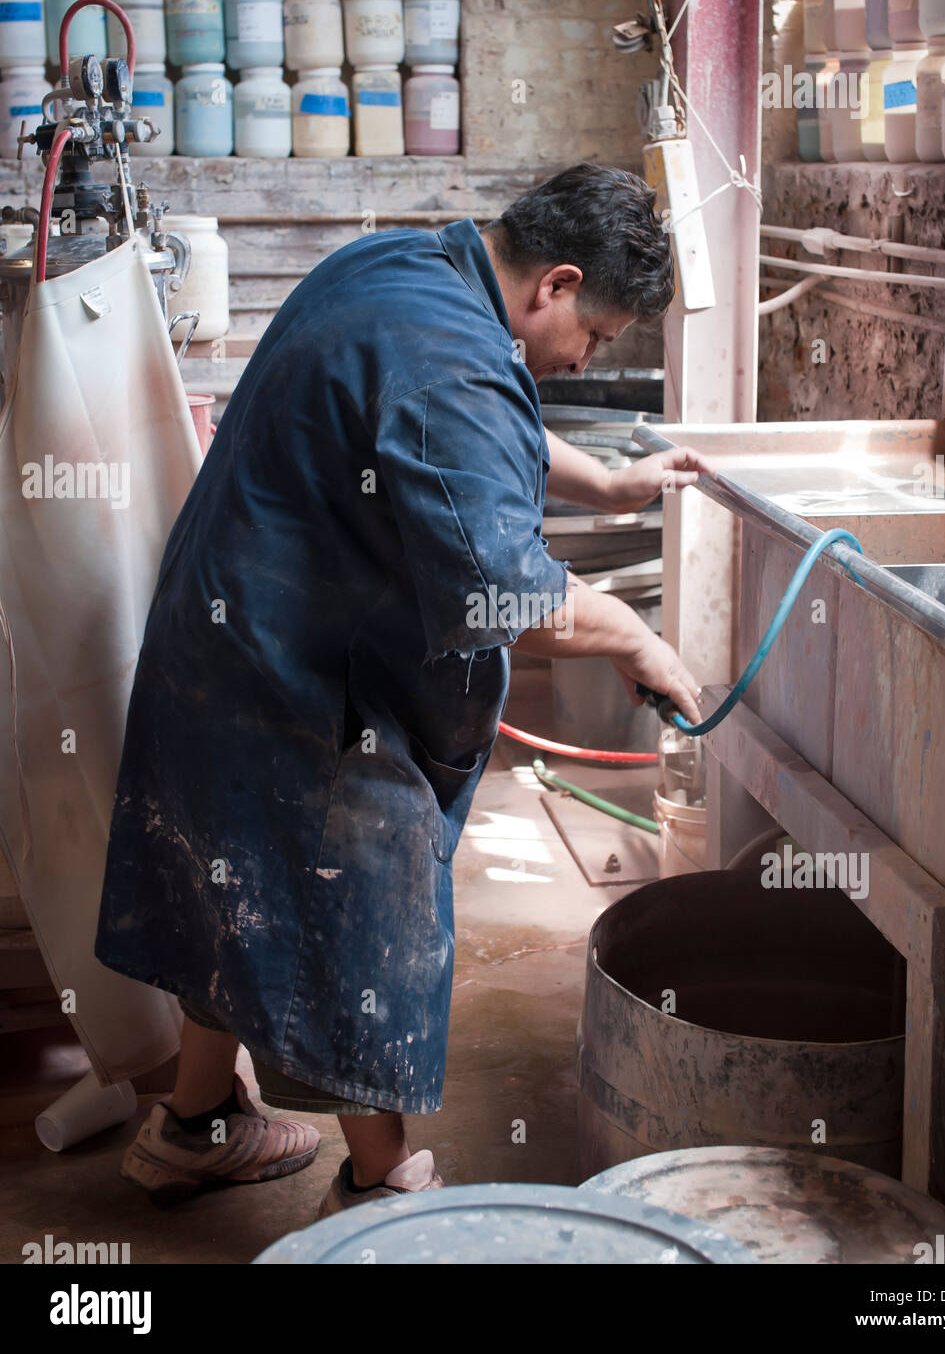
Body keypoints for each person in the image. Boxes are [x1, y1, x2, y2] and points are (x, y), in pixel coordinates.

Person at [94, 163, 707, 1215]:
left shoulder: (414, 263)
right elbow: (503, 593)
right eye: (594, 337)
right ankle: (380, 1189)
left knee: (235, 891)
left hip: (220, 638)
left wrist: (602, 481)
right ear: (553, 285)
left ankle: (192, 1127)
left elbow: (471, 410)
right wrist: (634, 639)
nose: (584, 356)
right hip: (296, 685)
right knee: (351, 917)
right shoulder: (453, 357)